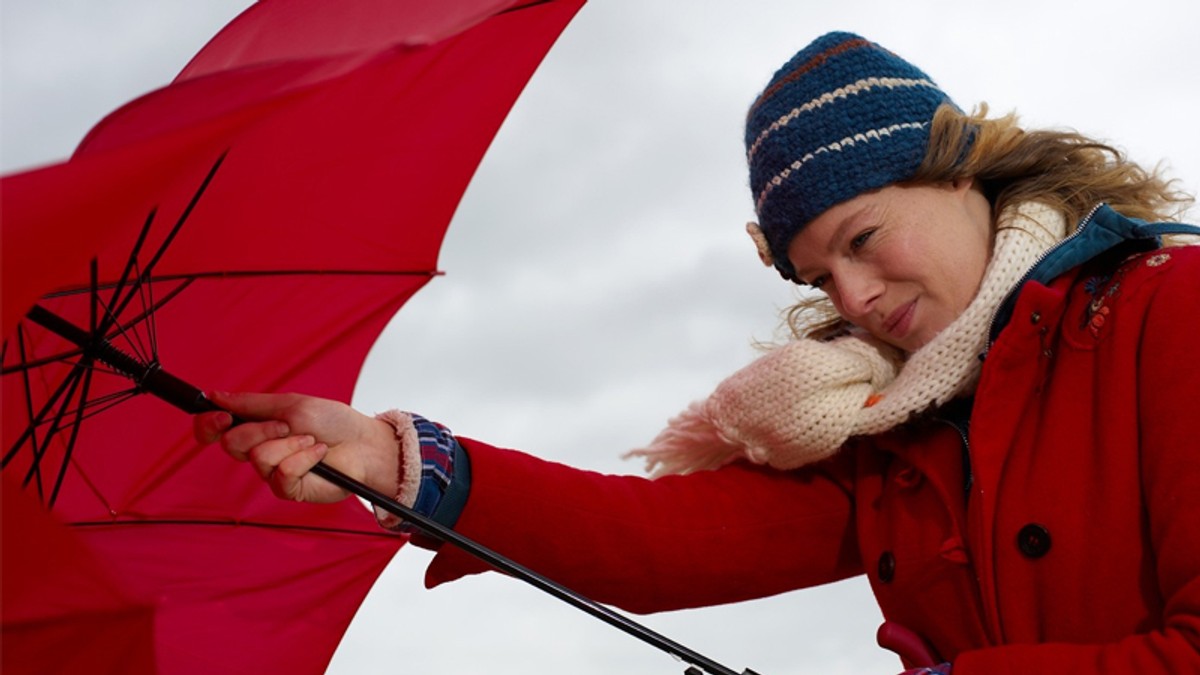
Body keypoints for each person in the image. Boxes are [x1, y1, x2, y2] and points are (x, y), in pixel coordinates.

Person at [194, 31, 1200, 673]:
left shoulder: (1168, 311)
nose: (849, 297)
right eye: (813, 278)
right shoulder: (889, 422)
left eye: (860, 240)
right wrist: (392, 459)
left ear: (957, 172)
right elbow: (665, 537)